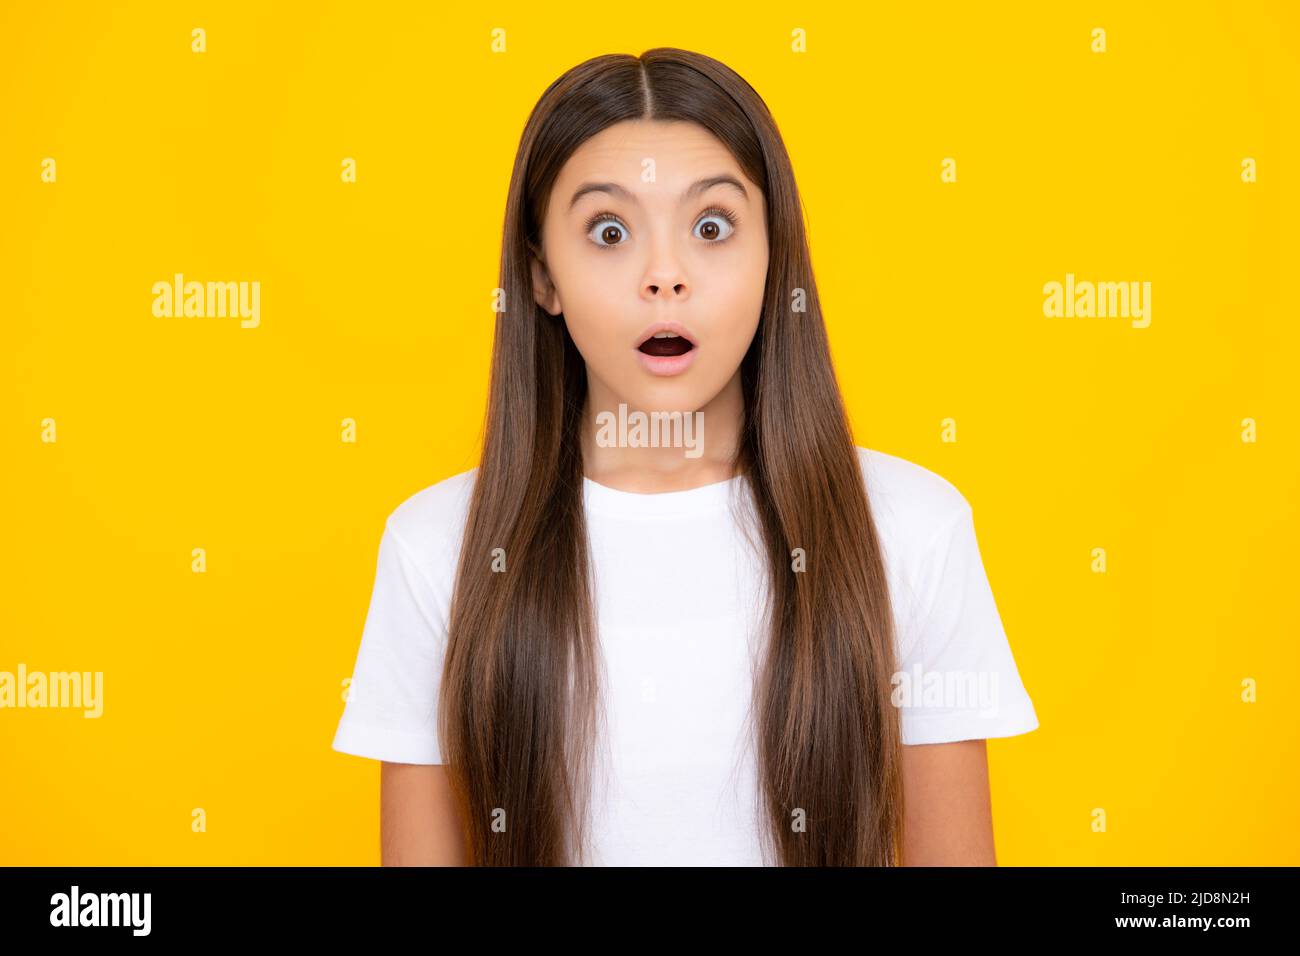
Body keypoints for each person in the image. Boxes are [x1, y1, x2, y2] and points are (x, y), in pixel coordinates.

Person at [332, 47, 1038, 866]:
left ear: (774, 258)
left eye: (711, 227)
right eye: (609, 231)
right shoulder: (435, 548)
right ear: (541, 278)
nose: (664, 276)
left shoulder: (914, 531)